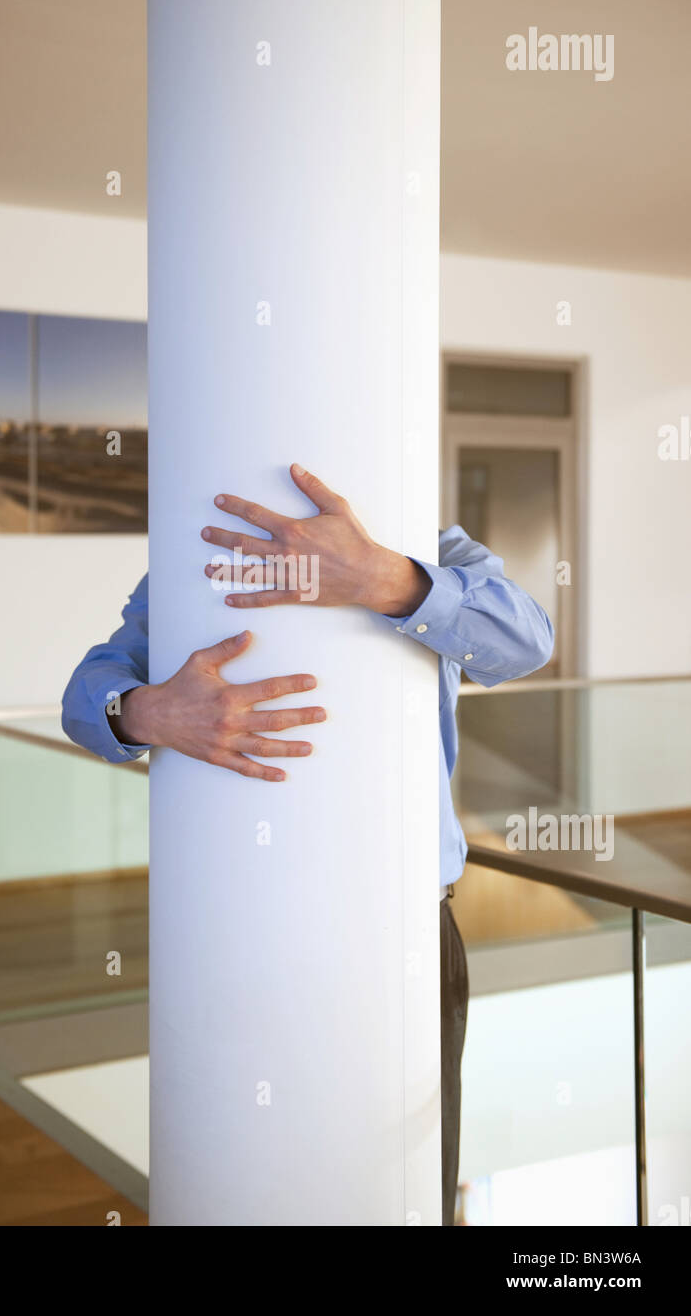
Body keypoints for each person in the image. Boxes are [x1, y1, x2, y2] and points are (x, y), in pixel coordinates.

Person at [62, 463, 554, 1225]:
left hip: (411, 931)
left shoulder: (435, 547)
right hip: (231, 932)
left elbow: (525, 643)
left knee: (407, 1174)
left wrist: (382, 579)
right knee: (239, 1163)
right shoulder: (197, 553)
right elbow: (86, 693)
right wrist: (145, 713)